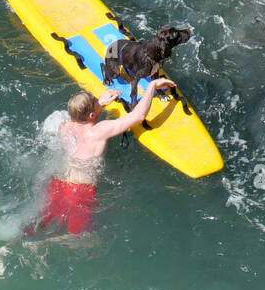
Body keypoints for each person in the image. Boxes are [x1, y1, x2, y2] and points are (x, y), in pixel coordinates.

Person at [24, 77, 177, 237]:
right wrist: (152, 86)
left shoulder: (65, 126)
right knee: (83, 238)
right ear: (90, 115)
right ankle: (42, 246)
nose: (99, 101)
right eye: (96, 102)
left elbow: (80, 117)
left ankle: (16, 242)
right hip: (79, 192)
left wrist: (99, 104)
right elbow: (138, 116)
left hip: (59, 183)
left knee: (41, 222)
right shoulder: (98, 131)